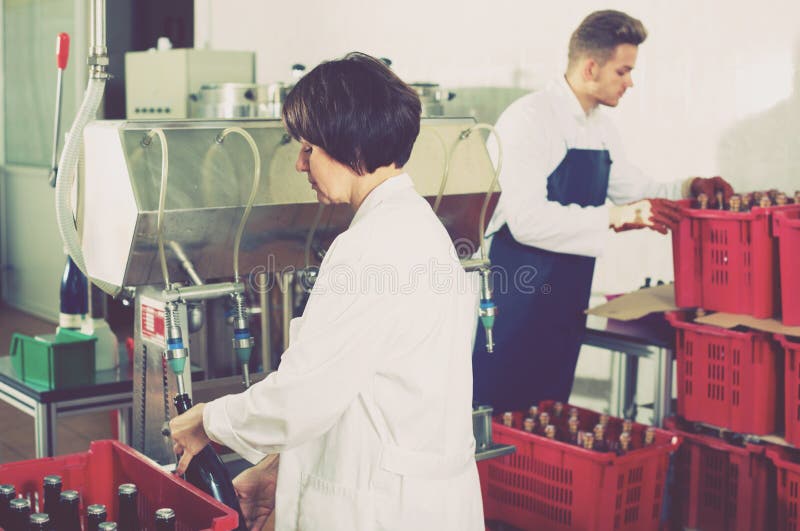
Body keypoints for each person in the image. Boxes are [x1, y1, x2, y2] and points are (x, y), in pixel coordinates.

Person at [170, 52, 484, 531]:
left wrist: (207, 421)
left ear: (349, 145)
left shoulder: (372, 247)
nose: (300, 164)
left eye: (308, 148)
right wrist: (276, 471)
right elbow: (352, 388)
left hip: (383, 509)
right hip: (413, 496)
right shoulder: (416, 226)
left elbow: (300, 398)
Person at [472, 10, 734, 411]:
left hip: (566, 298)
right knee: (500, 410)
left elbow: (638, 191)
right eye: (623, 71)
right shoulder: (530, 119)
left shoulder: (599, 128)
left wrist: (689, 188)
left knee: (549, 410)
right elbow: (526, 220)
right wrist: (616, 216)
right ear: (591, 67)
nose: (630, 82)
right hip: (517, 296)